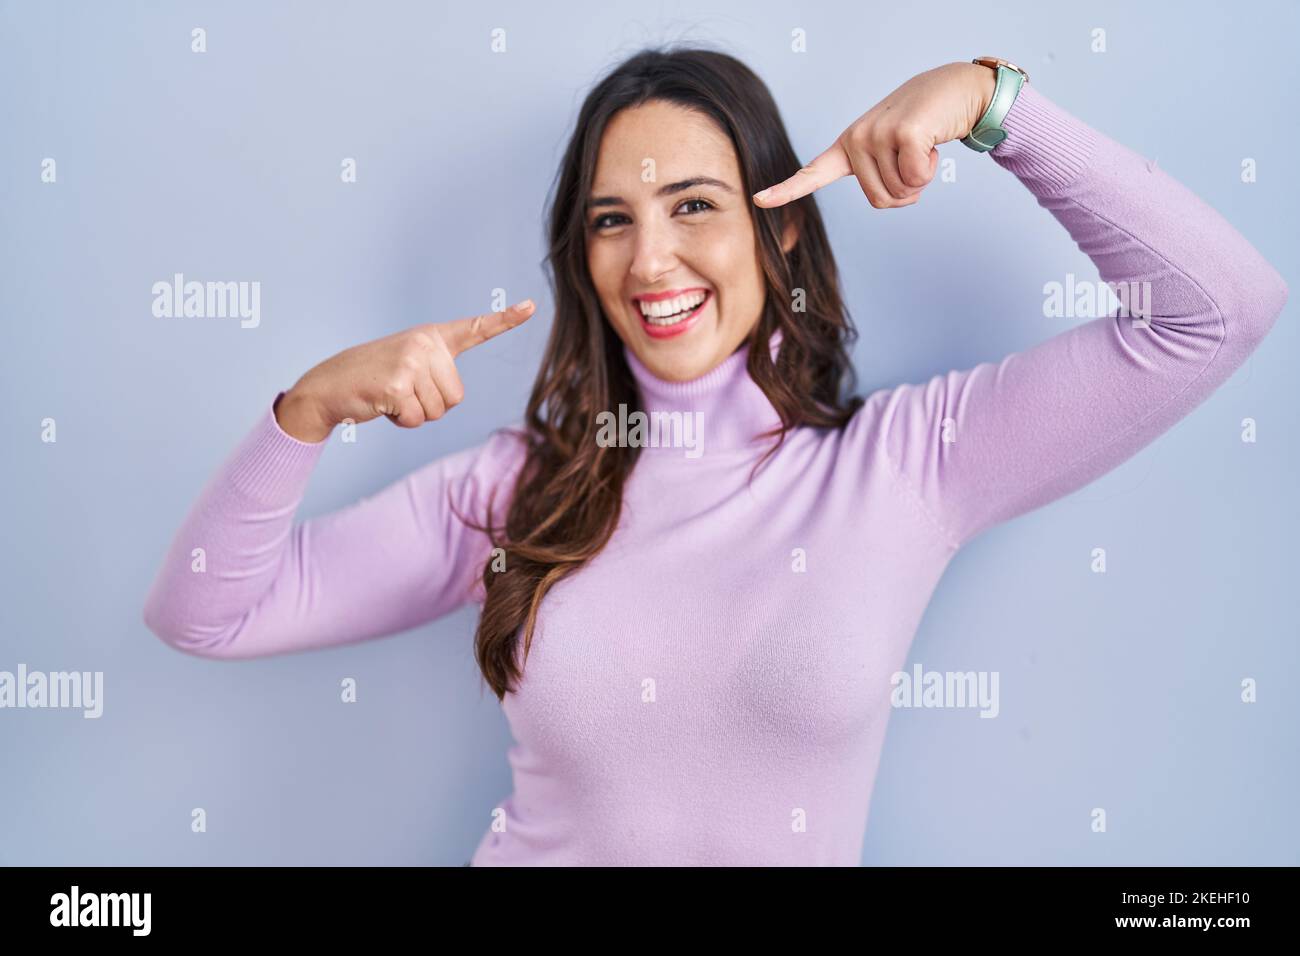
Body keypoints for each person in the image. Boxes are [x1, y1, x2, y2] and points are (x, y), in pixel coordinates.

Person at [143, 47, 1288, 866]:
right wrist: (305, 411)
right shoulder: (513, 486)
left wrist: (995, 105)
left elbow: (1219, 310)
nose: (650, 261)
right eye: (609, 219)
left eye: (694, 205)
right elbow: (207, 613)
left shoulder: (905, 462)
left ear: (778, 224)